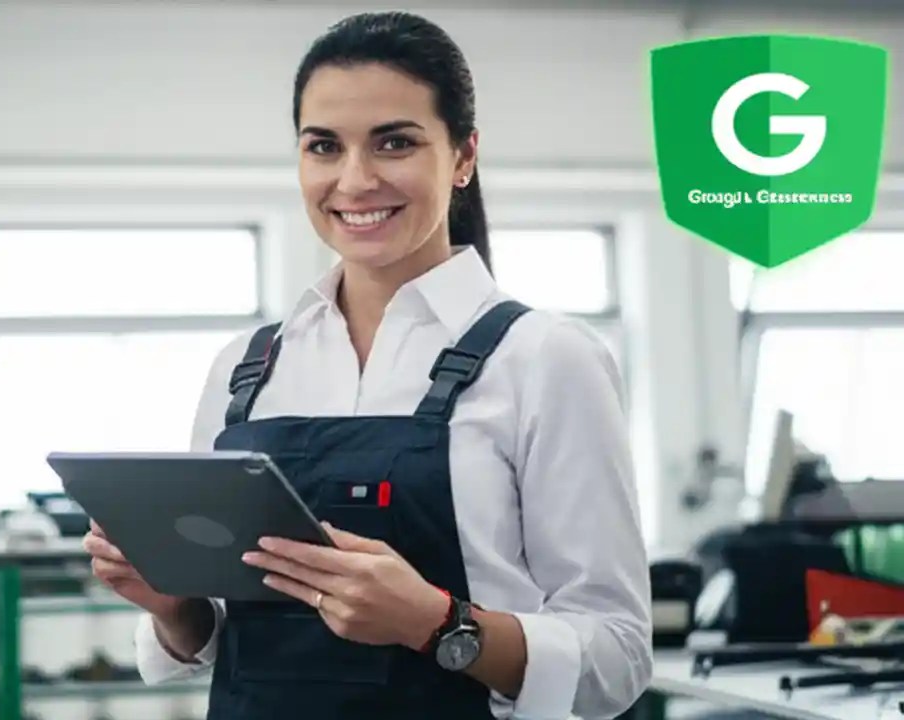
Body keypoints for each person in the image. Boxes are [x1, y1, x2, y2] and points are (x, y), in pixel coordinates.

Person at [83, 10, 653, 720]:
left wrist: (438, 625)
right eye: (323, 146)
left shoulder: (544, 358)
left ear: (464, 157)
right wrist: (173, 607)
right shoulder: (246, 368)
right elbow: (224, 639)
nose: (354, 180)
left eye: (395, 142)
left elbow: (619, 657)